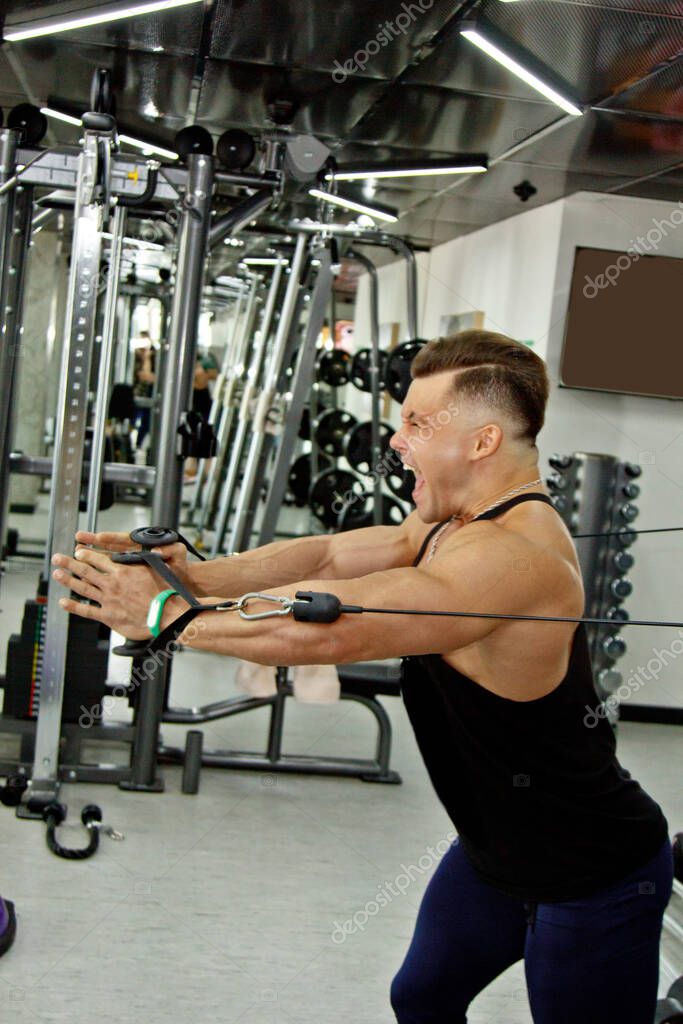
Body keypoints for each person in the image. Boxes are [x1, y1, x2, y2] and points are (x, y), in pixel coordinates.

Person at [51, 330, 673, 1024]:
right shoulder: (451, 522)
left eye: (414, 423)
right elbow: (327, 553)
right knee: (421, 997)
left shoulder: (514, 559)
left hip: (590, 875)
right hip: (493, 852)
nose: (396, 440)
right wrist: (193, 575)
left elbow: (331, 630)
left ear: (481, 442)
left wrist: (168, 615)